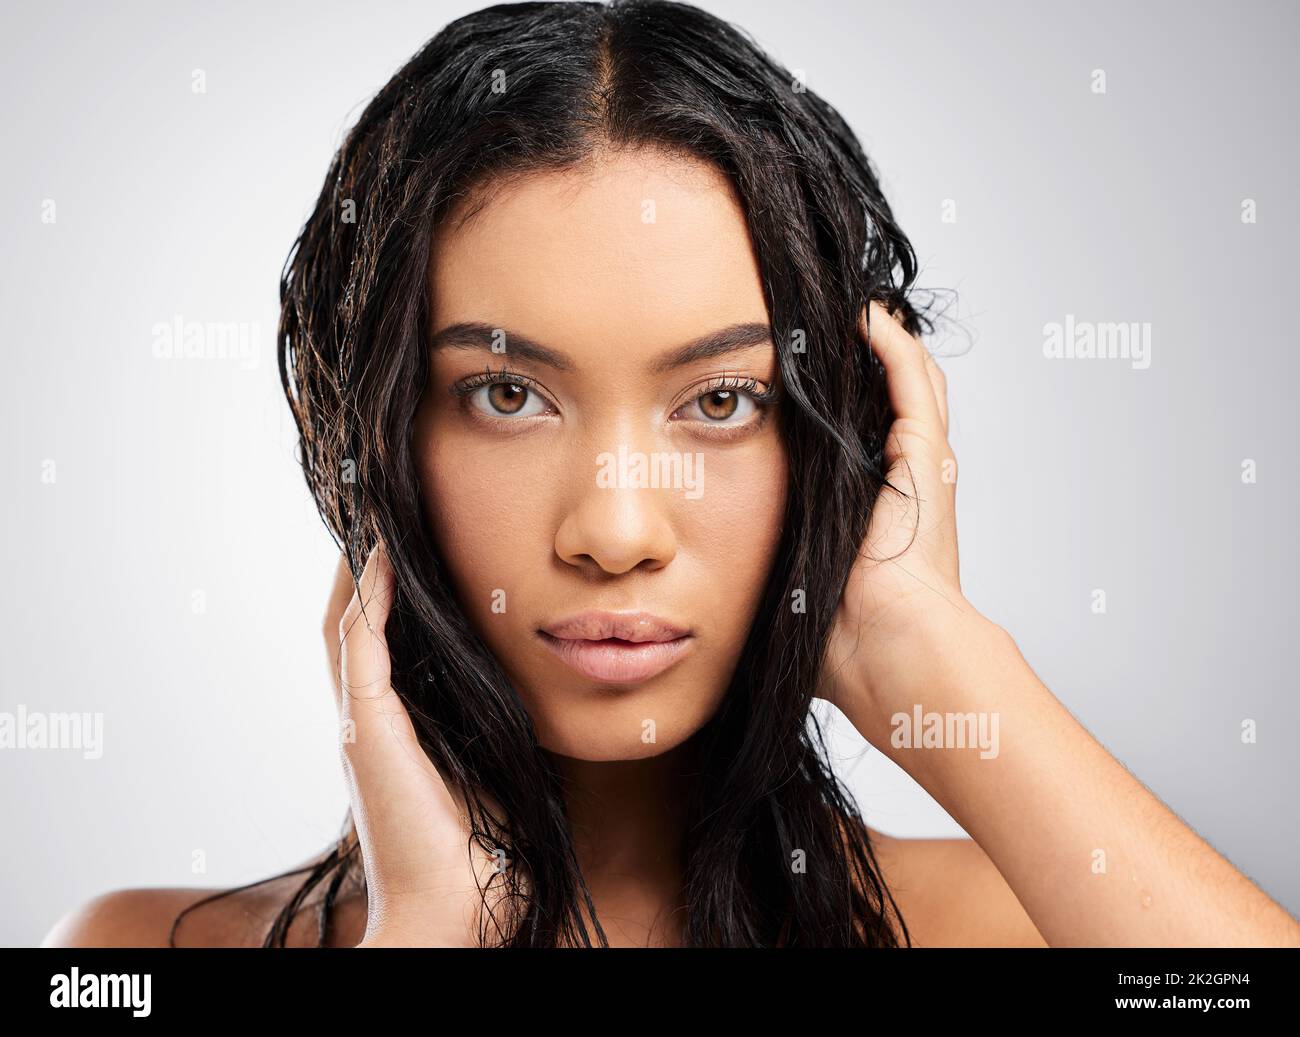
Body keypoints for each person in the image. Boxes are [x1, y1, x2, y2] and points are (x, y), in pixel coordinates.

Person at [43, 0, 1300, 948]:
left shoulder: (1009, 919)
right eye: (507, 394)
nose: (614, 528)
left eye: (720, 400)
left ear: (838, 434)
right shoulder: (139, 950)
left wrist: (934, 655)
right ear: (374, 436)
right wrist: (426, 926)